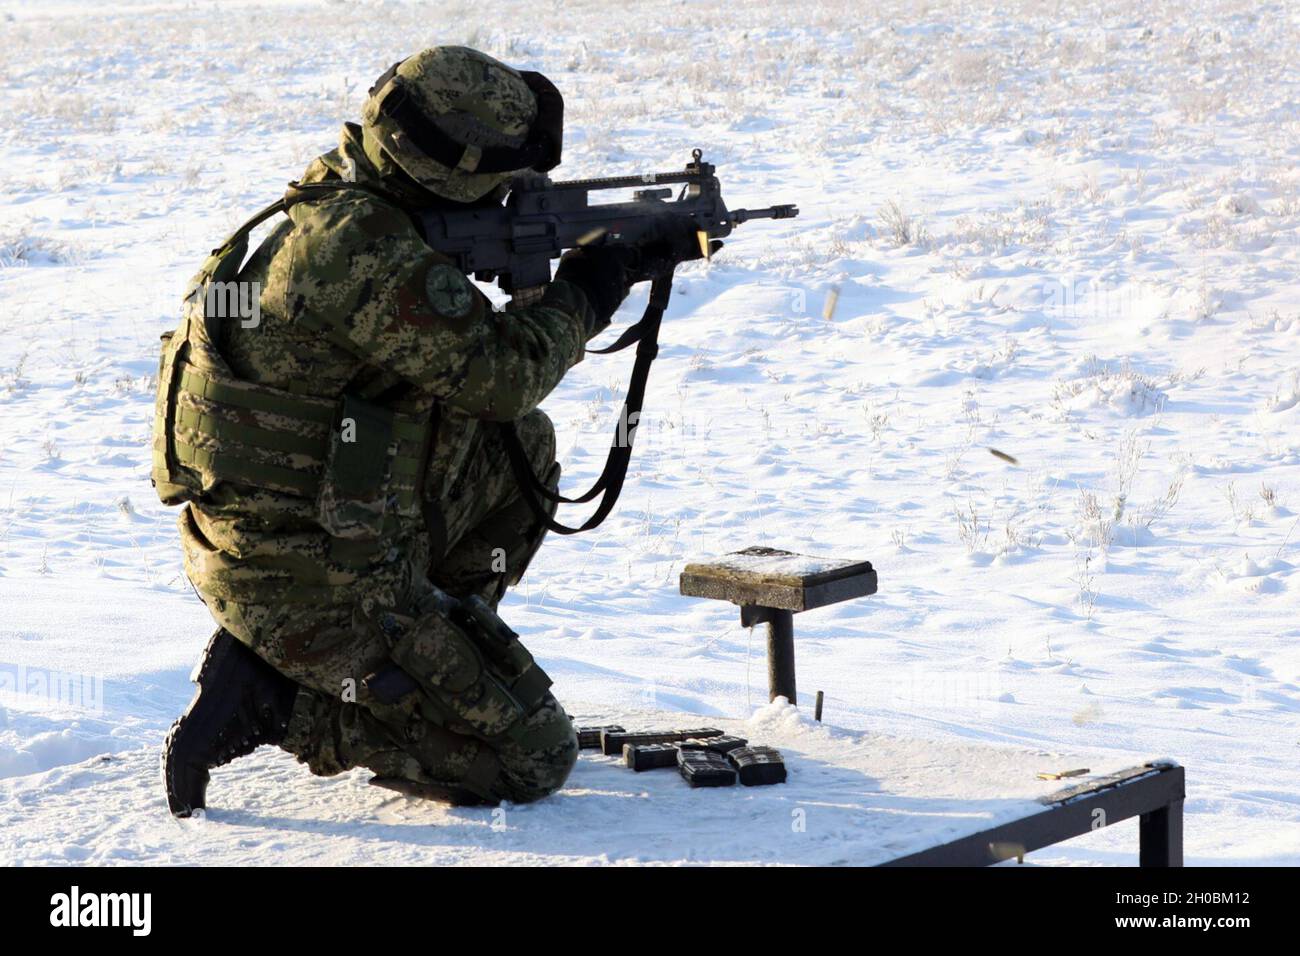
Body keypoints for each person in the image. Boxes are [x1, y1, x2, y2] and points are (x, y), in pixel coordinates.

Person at [154, 45, 702, 814]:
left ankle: (424, 649)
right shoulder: (361, 251)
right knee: (533, 760)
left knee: (525, 452)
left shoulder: (339, 195)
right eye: (496, 177)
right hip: (305, 575)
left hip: (284, 529)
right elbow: (504, 374)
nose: (509, 191)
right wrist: (594, 285)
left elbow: (468, 388)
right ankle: (286, 706)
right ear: (448, 170)